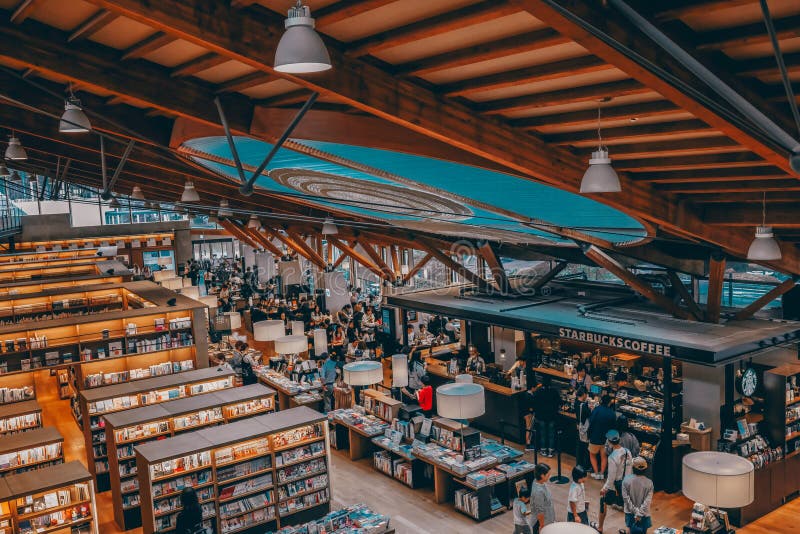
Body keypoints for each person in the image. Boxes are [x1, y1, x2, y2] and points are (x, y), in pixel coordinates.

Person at [600, 429, 633, 534]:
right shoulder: (628, 452)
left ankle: (600, 527)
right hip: (628, 485)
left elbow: (611, 478)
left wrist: (604, 488)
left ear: (609, 442)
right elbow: (630, 468)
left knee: (603, 501)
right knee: (629, 510)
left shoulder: (612, 457)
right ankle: (629, 531)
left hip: (616, 487)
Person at [588, 394, 617, 480]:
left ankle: (596, 473)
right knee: (604, 457)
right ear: (609, 403)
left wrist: (589, 434)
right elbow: (613, 427)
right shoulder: (612, 413)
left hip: (595, 437)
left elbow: (591, 422)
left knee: (592, 455)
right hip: (606, 439)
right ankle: (601, 473)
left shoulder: (596, 410)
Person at [622, 457, 654, 534]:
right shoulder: (649, 483)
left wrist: (635, 512)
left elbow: (626, 499)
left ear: (633, 468)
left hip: (630, 512)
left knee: (630, 529)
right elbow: (647, 501)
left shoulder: (626, 480)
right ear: (645, 469)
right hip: (644, 514)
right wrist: (639, 514)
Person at [531, 375, 560, 458]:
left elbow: (534, 402)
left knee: (543, 433)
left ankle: (543, 450)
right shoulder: (554, 391)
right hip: (552, 416)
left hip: (541, 416)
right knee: (551, 433)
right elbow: (559, 402)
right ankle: (551, 451)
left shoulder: (539, 391)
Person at [530, 463, 554, 533]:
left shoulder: (539, 481)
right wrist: (542, 526)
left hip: (547, 519)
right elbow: (540, 511)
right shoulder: (538, 492)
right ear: (542, 476)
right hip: (541, 523)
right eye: (548, 475)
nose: (549, 476)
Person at [574, 386, 591, 470]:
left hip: (579, 427)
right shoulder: (583, 406)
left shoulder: (576, 402)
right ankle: (585, 465)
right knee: (586, 447)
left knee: (579, 446)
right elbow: (589, 415)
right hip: (585, 429)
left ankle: (578, 463)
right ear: (584, 394)